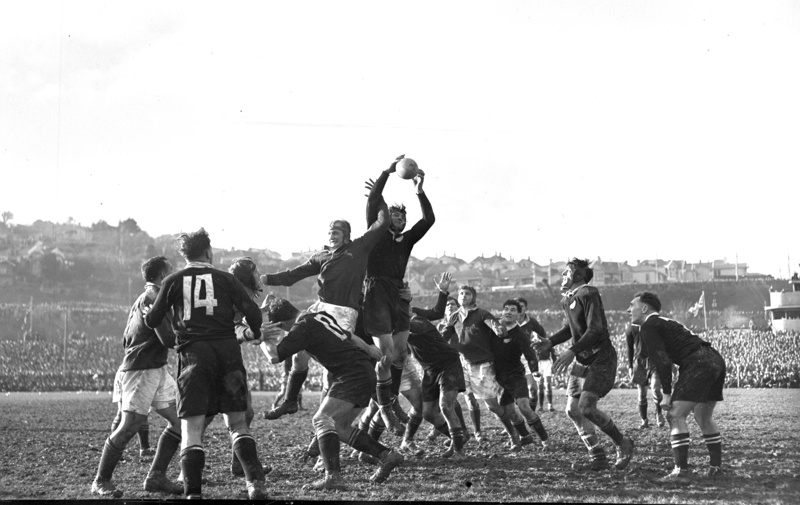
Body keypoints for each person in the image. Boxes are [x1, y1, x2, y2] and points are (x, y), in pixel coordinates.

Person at [259, 162, 391, 420]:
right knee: (299, 359)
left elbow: (382, 222)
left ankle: (385, 407)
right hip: (319, 309)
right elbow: (294, 274)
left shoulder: (360, 248)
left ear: (347, 235)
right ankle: (289, 401)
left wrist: (380, 193)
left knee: (336, 366)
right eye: (330, 232)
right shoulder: (321, 256)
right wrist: (267, 278)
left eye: (337, 232)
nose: (332, 235)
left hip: (343, 312)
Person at [144, 229, 268, 500]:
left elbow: (153, 320)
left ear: (184, 255)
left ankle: (193, 493)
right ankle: (255, 484)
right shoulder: (225, 279)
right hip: (227, 353)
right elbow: (252, 312)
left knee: (192, 429)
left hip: (194, 356)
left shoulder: (174, 280)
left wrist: (149, 314)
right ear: (209, 252)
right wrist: (256, 331)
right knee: (238, 423)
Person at [259, 297, 404, 490]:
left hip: (351, 374)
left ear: (282, 324)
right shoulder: (318, 316)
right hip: (362, 371)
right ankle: (387, 456)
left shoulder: (301, 328)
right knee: (338, 426)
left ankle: (333, 477)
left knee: (321, 420)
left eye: (282, 329)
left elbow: (274, 356)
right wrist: (368, 348)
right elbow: (349, 336)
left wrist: (262, 338)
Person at [91, 256, 183, 498]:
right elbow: (167, 339)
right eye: (171, 272)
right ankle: (101, 480)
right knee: (129, 425)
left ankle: (156, 477)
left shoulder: (140, 300)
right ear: (163, 276)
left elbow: (125, 339)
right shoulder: (154, 299)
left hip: (153, 367)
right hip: (142, 369)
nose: (174, 276)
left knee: (181, 421)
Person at [534, 258, 634, 471]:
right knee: (572, 410)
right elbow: (571, 329)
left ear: (577, 275)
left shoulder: (588, 293)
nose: (562, 276)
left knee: (586, 407)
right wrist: (550, 341)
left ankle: (622, 443)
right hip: (583, 359)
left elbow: (595, 329)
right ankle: (598, 457)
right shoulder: (568, 299)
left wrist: (572, 350)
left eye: (565, 273)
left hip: (601, 357)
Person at [363, 154, 435, 435]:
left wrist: (420, 191)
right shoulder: (378, 231)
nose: (401, 218)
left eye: (403, 216)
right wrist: (387, 172)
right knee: (386, 355)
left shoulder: (406, 240)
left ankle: (388, 400)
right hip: (376, 291)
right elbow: (372, 203)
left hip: (398, 294)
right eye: (396, 214)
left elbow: (428, 219)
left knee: (401, 354)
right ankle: (387, 403)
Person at [627, 291, 726, 482]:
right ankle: (716, 468)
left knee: (674, 415)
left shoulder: (648, 326)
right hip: (714, 359)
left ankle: (681, 472)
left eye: (632, 305)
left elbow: (663, 362)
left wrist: (666, 393)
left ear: (645, 308)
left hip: (697, 362)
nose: (628, 309)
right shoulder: (665, 322)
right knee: (703, 417)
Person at [442, 284, 523, 451]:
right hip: (463, 363)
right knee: (450, 400)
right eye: (461, 293)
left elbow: (494, 324)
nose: (463, 296)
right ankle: (458, 438)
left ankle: (513, 435)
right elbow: (444, 336)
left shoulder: (481, 314)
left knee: (492, 405)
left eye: (467, 294)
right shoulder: (455, 317)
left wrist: (498, 329)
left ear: (473, 298)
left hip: (482, 364)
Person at [495, 299, 550, 450]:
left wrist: (535, 370)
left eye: (512, 310)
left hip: (515, 375)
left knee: (524, 406)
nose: (508, 312)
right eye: (506, 309)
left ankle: (545, 439)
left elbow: (530, 354)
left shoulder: (520, 334)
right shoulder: (494, 329)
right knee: (509, 412)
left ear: (519, 314)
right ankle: (525, 436)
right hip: (499, 377)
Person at [624, 323, 666, 430]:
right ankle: (644, 420)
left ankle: (659, 414)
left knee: (655, 388)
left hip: (654, 361)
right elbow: (629, 348)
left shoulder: (652, 324)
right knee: (641, 393)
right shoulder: (630, 328)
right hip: (639, 363)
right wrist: (629, 367)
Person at [516, 297, 553, 411]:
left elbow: (543, 335)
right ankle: (516, 419)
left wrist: (538, 341)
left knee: (532, 390)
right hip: (512, 359)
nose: (519, 308)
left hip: (528, 358)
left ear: (526, 308)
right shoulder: (507, 321)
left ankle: (531, 417)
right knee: (514, 392)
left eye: (521, 306)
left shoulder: (532, 322)